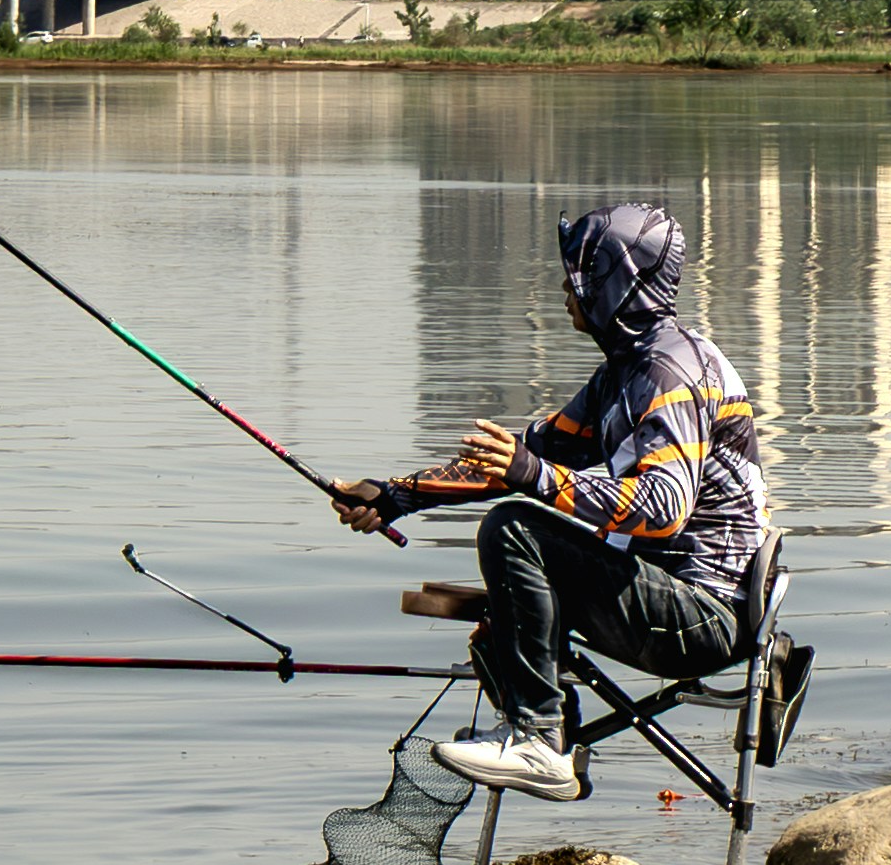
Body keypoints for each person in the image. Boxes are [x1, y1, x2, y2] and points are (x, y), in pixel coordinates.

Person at [329, 202, 767, 804]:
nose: (565, 288)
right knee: (504, 606)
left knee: (513, 530)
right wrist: (397, 495)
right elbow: (530, 453)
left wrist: (532, 475)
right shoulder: (625, 371)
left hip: (703, 618)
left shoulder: (666, 374)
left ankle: (539, 740)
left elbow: (662, 507)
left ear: (616, 284)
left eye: (578, 275)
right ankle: (551, 737)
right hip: (673, 599)